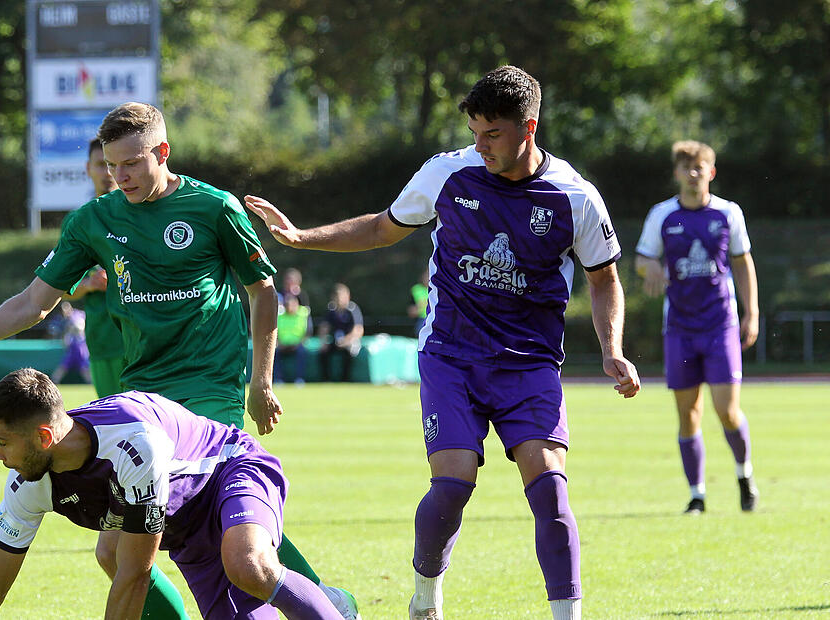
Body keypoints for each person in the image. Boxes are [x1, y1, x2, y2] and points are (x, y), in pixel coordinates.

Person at [0, 103, 357, 619]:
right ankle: (315, 598)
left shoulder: (214, 208)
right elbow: (33, 303)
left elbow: (264, 290)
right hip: (143, 394)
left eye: (133, 164)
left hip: (210, 387)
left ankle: (317, 600)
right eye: (112, 167)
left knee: (209, 537)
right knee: (115, 554)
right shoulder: (94, 221)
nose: (120, 177)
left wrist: (261, 380)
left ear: (162, 152)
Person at [244, 65, 640, 620]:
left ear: (529, 127)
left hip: (529, 365)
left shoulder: (575, 198)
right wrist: (304, 238)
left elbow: (604, 280)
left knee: (550, 492)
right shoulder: (448, 174)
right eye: (475, 132)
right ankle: (426, 598)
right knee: (452, 486)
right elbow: (385, 227)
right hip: (451, 356)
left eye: (492, 134)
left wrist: (611, 349)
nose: (479, 146)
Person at [0, 368, 342, 620]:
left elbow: (135, 574)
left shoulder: (132, 445)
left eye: (2, 442)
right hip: (186, 527)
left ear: (44, 437)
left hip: (231, 468)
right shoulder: (26, 484)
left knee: (248, 564)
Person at [635, 140, 759, 514]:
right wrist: (649, 267)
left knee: (726, 410)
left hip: (720, 324)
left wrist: (751, 312)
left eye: (699, 167)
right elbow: (642, 258)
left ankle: (744, 475)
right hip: (680, 328)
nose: (693, 174)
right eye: (686, 167)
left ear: (711, 172)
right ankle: (697, 495)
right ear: (676, 173)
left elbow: (743, 263)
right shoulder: (662, 216)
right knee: (688, 413)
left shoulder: (727, 213)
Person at [63, 139, 128, 398]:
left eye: (113, 165)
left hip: (147, 340)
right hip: (103, 341)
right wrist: (89, 284)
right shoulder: (78, 221)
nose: (108, 173)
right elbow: (60, 290)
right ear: (88, 168)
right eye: (101, 165)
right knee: (115, 427)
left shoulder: (146, 214)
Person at [317, 283, 364, 383]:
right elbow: (324, 327)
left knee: (349, 352)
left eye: (341, 296)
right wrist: (323, 341)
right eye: (336, 296)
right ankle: (326, 379)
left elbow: (358, 330)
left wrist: (346, 341)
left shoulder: (352, 309)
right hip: (336, 340)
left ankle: (345, 379)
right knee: (323, 352)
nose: (339, 299)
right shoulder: (331, 310)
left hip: (349, 341)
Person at [48, 301, 94, 385]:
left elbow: (79, 327)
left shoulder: (77, 315)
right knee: (64, 366)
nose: (64, 312)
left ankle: (91, 382)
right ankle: (53, 382)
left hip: (80, 346)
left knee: (84, 366)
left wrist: (71, 328)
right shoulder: (64, 319)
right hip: (72, 347)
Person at [275, 294, 311, 384]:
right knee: (274, 353)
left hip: (298, 345)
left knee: (301, 352)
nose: (289, 307)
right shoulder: (280, 316)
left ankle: (300, 379)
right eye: (286, 304)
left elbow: (308, 332)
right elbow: (275, 333)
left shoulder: (303, 314)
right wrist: (279, 343)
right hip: (283, 345)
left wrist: (299, 343)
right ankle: (278, 379)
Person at [408, 270, 430, 336]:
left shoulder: (438, 290)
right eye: (426, 275)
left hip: (437, 319)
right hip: (422, 319)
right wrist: (419, 307)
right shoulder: (416, 290)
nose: (428, 277)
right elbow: (411, 311)